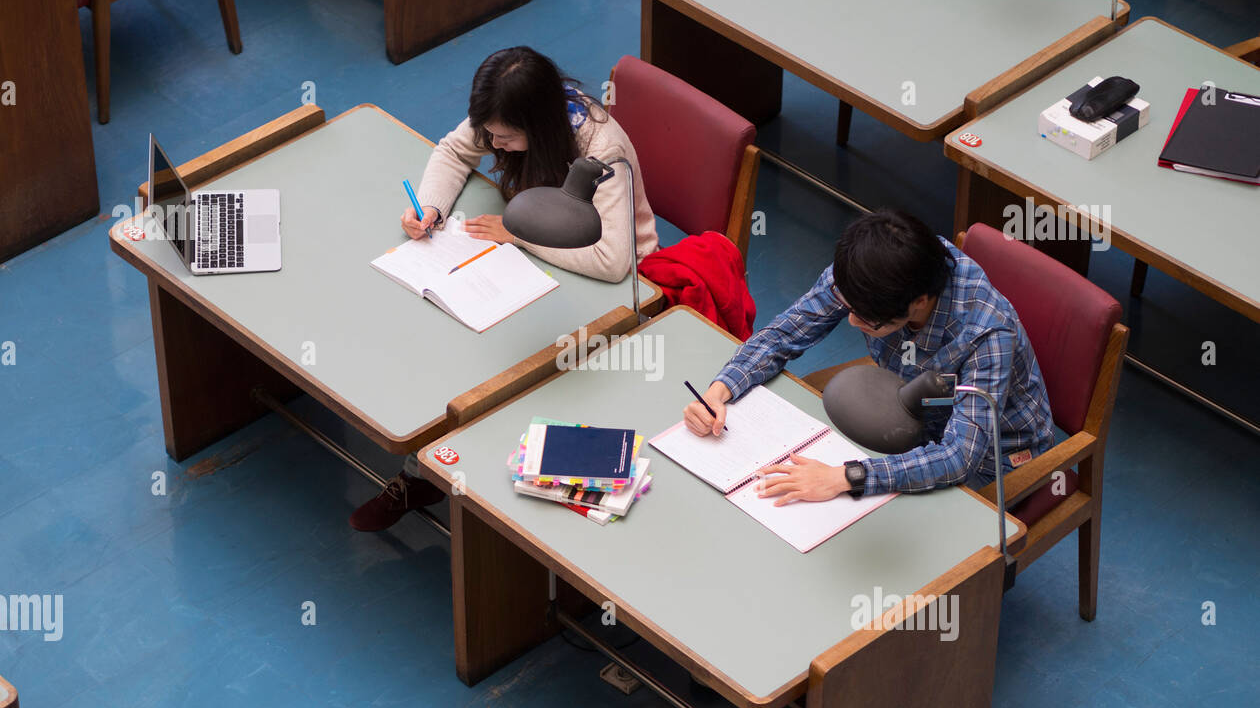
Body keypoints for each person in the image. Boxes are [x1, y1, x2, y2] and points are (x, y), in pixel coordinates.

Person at [351, 46, 660, 532]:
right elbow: (453, 150)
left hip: (615, 292)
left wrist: (517, 234)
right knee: (455, 342)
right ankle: (433, 467)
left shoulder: (601, 150)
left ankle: (470, 494)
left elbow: (612, 260)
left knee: (498, 371)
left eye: (504, 137)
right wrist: (430, 207)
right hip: (530, 264)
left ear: (538, 126)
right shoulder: (502, 115)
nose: (491, 143)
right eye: (488, 132)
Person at [682, 208, 1054, 504]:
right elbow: (785, 333)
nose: (851, 319)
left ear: (919, 303)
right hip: (909, 404)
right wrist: (719, 391)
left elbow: (959, 456)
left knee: (880, 530)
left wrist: (845, 477)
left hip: (998, 454)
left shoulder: (986, 334)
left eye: (867, 320)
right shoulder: (868, 268)